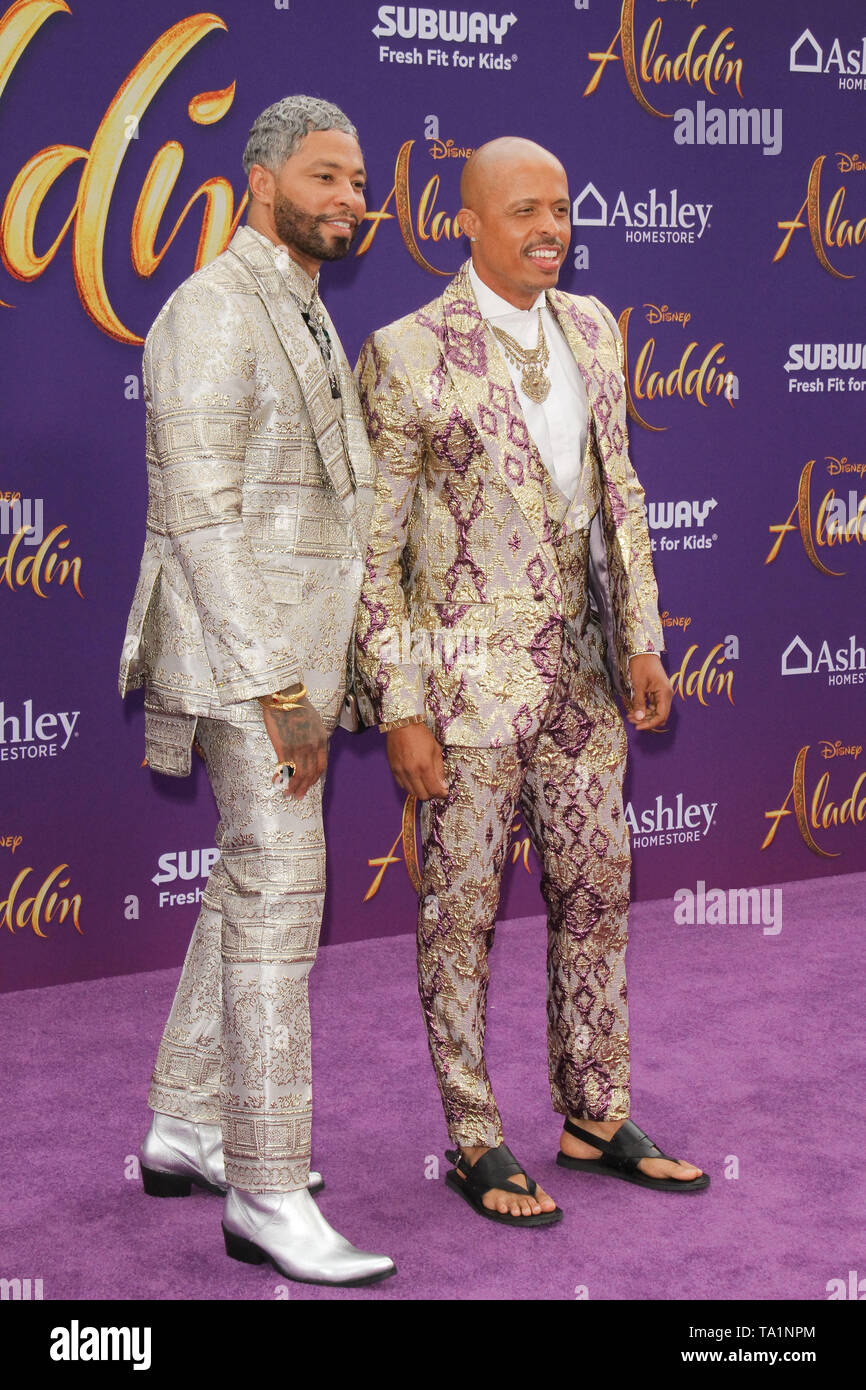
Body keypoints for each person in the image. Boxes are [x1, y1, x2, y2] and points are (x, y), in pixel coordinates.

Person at [354, 136, 708, 1228]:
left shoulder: (595, 328)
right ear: (465, 221)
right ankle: (470, 1134)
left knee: (596, 893)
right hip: (459, 691)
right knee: (459, 917)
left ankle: (593, 1112)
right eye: (524, 211)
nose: (549, 228)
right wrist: (399, 704)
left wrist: (642, 637)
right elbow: (371, 555)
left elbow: (622, 493)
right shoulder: (406, 351)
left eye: (559, 208)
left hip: (583, 680)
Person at [118, 95, 395, 1284]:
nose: (348, 197)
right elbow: (202, 518)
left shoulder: (306, 309)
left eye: (358, 179)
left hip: (297, 664)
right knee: (283, 900)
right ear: (262, 179)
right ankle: (269, 1193)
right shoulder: (207, 311)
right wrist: (281, 691)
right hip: (245, 668)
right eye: (325, 176)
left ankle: (185, 1122)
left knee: (248, 886)